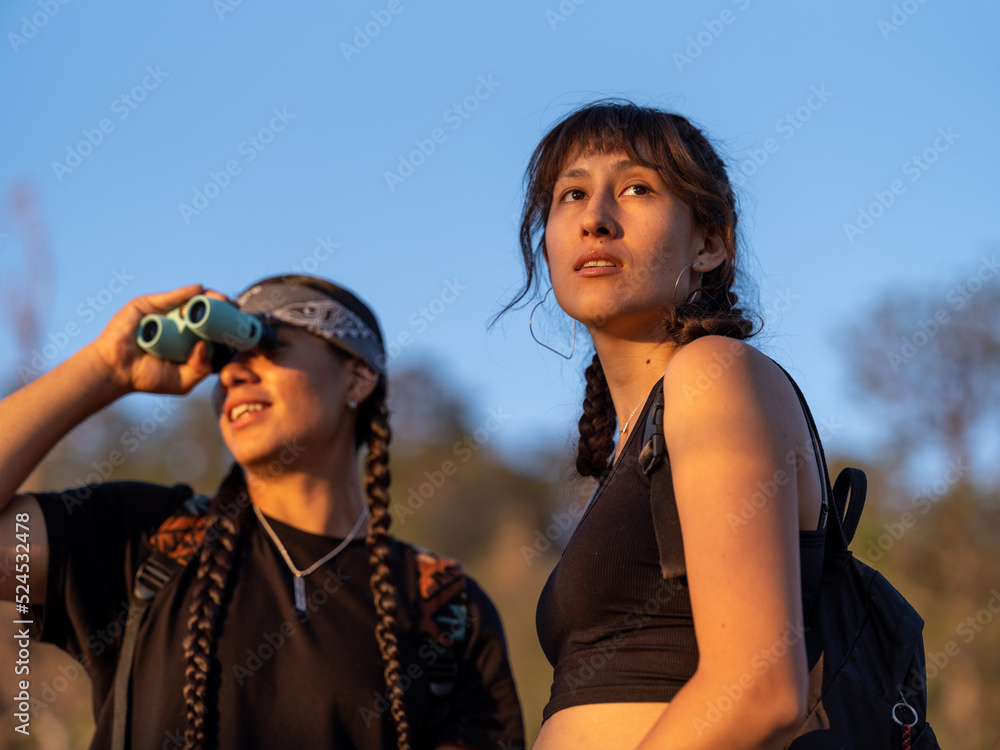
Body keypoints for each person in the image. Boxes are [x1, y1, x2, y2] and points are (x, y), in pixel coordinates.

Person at [0, 274, 525, 750]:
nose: (234, 376)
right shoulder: (150, 538)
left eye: (267, 345)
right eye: (225, 362)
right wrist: (105, 368)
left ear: (357, 379)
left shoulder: (444, 604)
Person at [499, 101, 828, 749]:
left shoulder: (715, 375)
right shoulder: (642, 437)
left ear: (709, 243)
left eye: (636, 189)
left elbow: (761, 691)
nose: (595, 218)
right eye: (571, 195)